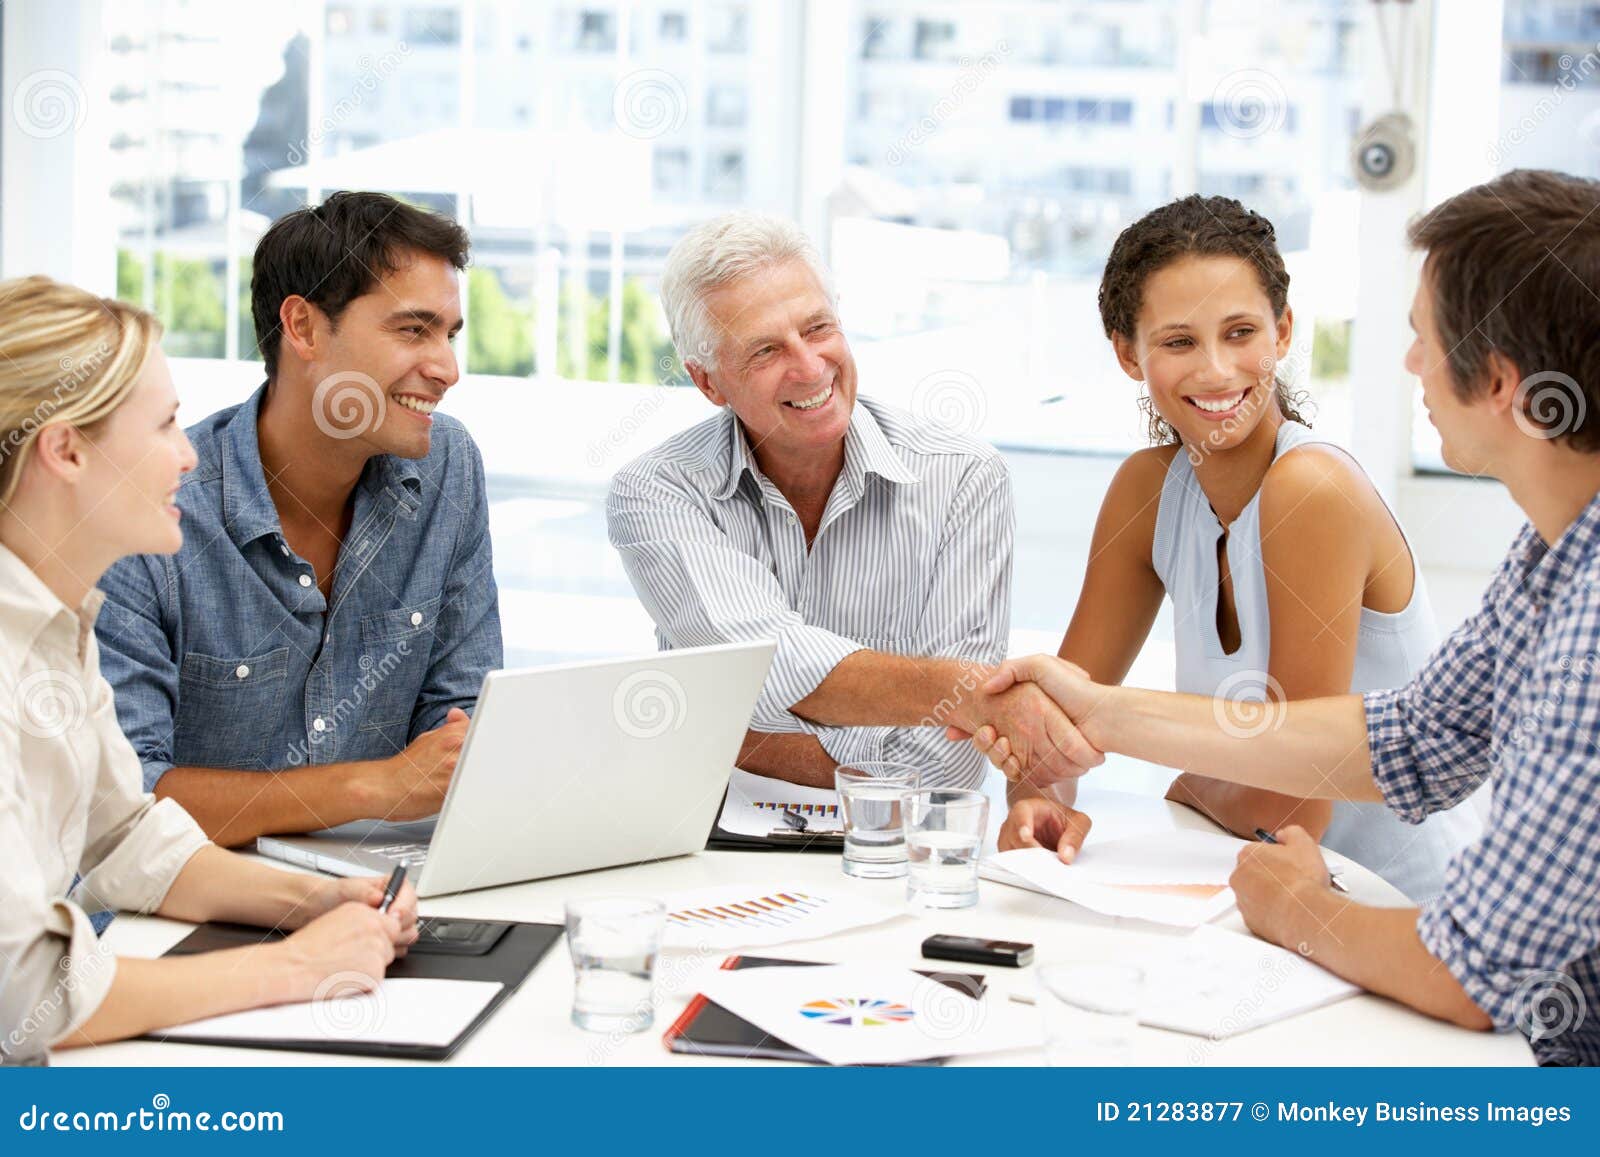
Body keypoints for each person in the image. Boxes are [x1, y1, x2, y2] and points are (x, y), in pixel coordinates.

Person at [963, 169, 1600, 1065]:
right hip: (1359, 935)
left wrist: (1291, 893)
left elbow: (1468, 968)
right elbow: (1409, 738)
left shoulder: (1586, 632)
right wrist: (1077, 735)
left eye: (1424, 337)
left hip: (1461, 991)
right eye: (1180, 339)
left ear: (1496, 379)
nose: (1410, 363)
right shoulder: (1547, 561)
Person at [997, 194, 1477, 901]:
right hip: (1257, 895)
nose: (1217, 371)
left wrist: (1192, 782)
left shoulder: (1312, 489)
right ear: (1129, 353)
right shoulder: (1149, 490)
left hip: (1392, 912)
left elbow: (1291, 806)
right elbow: (1054, 718)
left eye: (1241, 331)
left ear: (1283, 332)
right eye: (1179, 341)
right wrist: (1035, 797)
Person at [0, 276, 417, 1063]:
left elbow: (124, 835)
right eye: (164, 425)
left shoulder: (57, 618)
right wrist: (297, 966)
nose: (190, 454)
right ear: (66, 449)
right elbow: (25, 990)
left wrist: (318, 899)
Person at [607, 211, 1099, 789]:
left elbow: (950, 763)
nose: (810, 367)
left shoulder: (965, 477)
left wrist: (738, 741)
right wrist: (948, 696)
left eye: (818, 329)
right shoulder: (656, 491)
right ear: (709, 382)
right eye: (765, 351)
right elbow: (762, 662)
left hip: (892, 849)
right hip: (704, 843)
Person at [95, 192, 502, 847]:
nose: (447, 369)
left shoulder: (446, 466)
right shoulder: (157, 510)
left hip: (382, 887)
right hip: (187, 904)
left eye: (449, 334)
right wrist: (375, 786)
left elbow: (463, 718)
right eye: (412, 329)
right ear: (304, 327)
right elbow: (126, 797)